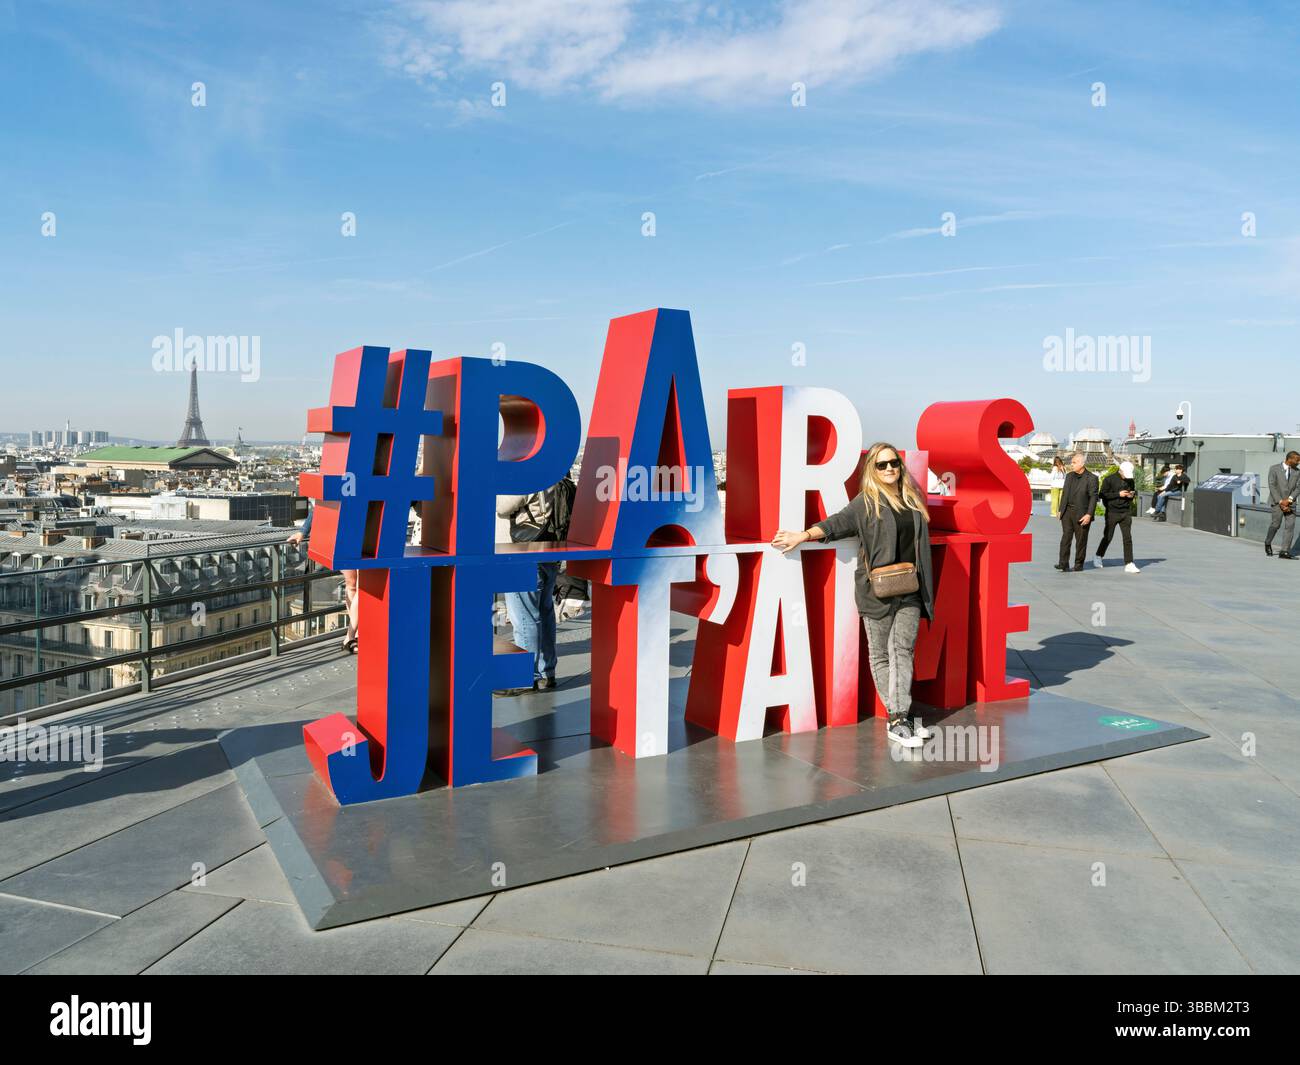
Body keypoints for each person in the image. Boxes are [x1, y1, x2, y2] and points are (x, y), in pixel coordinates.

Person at [772, 442, 935, 749]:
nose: (889, 469)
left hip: (911, 588)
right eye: (881, 465)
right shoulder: (866, 502)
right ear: (872, 469)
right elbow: (836, 523)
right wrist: (803, 535)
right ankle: (899, 718)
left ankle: (899, 717)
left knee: (903, 652)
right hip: (877, 591)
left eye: (894, 463)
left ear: (900, 467)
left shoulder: (912, 500)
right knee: (881, 656)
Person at [496, 475, 576, 693]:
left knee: (524, 617)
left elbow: (503, 506)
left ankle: (525, 676)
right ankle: (546, 672)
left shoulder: (527, 476)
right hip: (548, 551)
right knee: (545, 613)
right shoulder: (556, 475)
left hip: (522, 553)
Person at [287, 505, 359, 654]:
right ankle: (356, 633)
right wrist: (302, 531)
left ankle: (351, 635)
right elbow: (319, 505)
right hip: (342, 535)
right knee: (352, 585)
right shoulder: (340, 483)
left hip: (363, 530)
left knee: (361, 586)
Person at [1056, 452, 1098, 572]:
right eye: (1072, 462)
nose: (1071, 464)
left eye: (1074, 462)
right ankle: (1063, 563)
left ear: (1082, 463)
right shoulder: (1069, 476)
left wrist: (1089, 514)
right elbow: (1064, 494)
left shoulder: (1092, 478)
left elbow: (1093, 498)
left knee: (1081, 541)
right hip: (1067, 513)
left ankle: (1078, 564)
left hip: (1082, 515)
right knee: (1066, 538)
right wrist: (1060, 510)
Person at [1096, 460, 1140, 573]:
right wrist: (1118, 494)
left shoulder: (1130, 480)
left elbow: (1133, 491)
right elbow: (1102, 494)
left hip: (1125, 512)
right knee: (1108, 536)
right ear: (1120, 471)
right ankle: (1098, 556)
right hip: (1112, 512)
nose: (1127, 477)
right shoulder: (1109, 479)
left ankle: (1129, 563)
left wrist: (1131, 495)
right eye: (1125, 474)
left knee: (1128, 538)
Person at [1265, 450, 1300, 559]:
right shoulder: (1274, 469)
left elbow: (1299, 487)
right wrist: (1281, 501)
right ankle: (1267, 542)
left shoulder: (1297, 472)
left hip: (1291, 503)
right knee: (1276, 525)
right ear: (1289, 459)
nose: (1299, 462)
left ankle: (1284, 551)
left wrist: (1289, 499)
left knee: (1290, 526)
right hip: (1277, 502)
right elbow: (1272, 486)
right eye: (1297, 460)